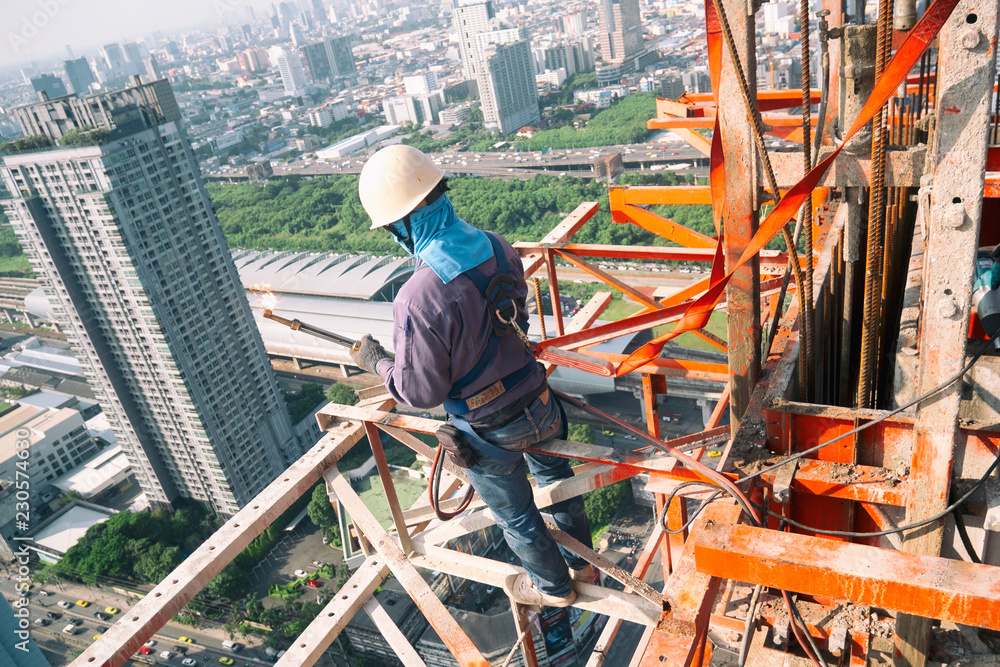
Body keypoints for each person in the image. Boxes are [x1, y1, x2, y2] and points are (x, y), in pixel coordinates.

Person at [350, 145, 594, 608]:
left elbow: (420, 392)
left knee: (519, 519)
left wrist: (379, 363)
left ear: (401, 223)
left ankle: (556, 589)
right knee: (559, 482)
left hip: (490, 431)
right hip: (540, 403)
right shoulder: (499, 246)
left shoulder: (418, 296)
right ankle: (584, 562)